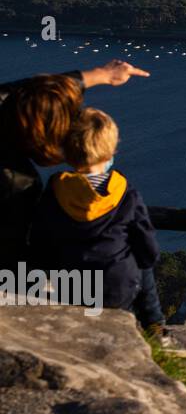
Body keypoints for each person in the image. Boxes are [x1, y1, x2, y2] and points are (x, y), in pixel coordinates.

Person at [30, 107, 186, 356]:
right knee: (142, 264)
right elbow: (146, 246)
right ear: (111, 151)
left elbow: (41, 239)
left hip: (71, 286)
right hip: (117, 287)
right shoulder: (124, 193)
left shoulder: (55, 191)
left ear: (66, 151)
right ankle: (156, 328)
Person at [0, 59, 150, 270]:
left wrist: (100, 75)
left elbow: (27, 92)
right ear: (44, 136)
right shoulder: (18, 185)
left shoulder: (11, 111)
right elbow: (13, 258)